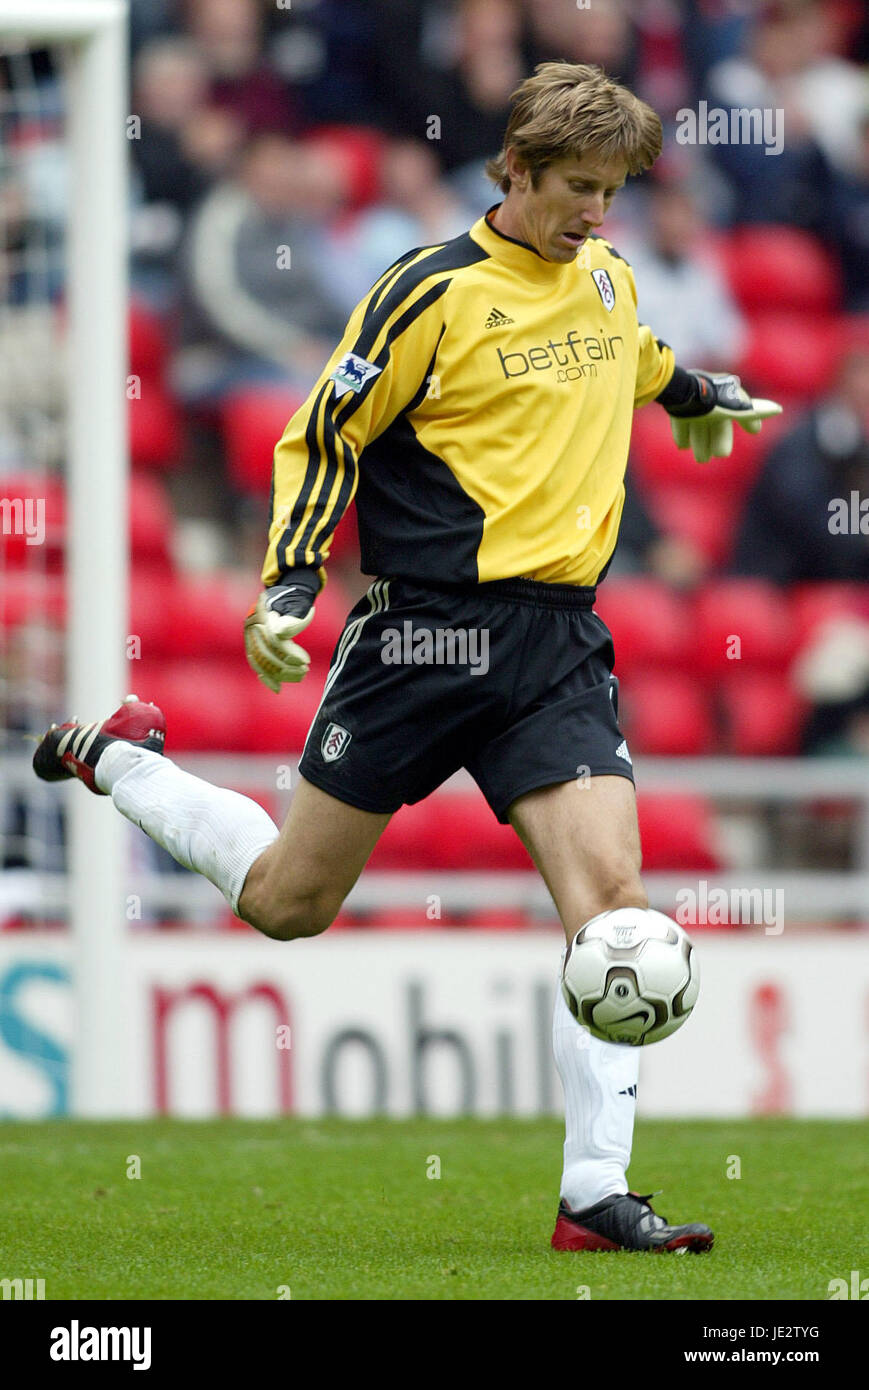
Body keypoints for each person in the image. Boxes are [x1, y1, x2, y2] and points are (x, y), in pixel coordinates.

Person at [34, 63, 778, 1253]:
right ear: (516, 170)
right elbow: (324, 433)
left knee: (612, 918)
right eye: (576, 187)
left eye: (613, 189)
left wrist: (693, 389)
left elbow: (626, 351)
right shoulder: (427, 292)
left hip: (556, 647)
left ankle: (593, 1194)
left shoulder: (604, 273)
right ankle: (126, 759)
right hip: (422, 637)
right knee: (288, 901)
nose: (596, 210)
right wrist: (286, 579)